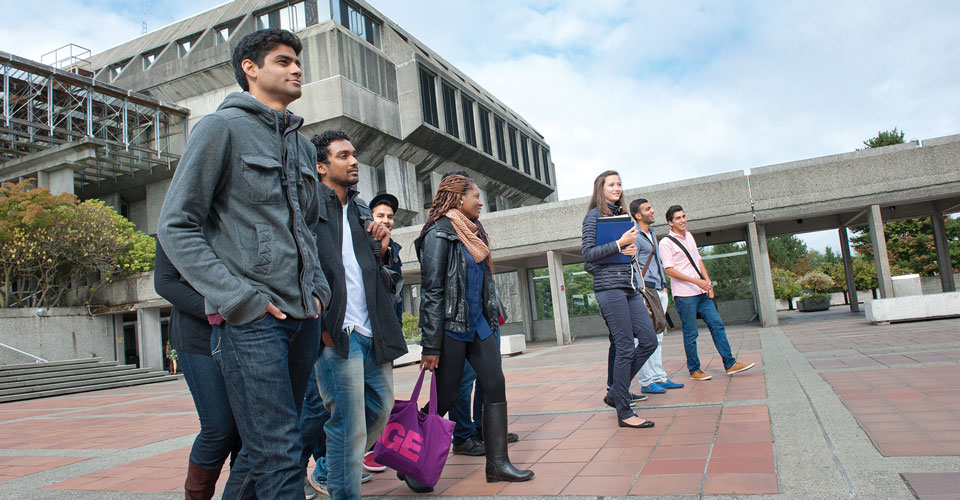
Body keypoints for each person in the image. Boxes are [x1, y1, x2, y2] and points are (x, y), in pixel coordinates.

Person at [157, 28, 330, 500]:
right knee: (278, 452)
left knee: (267, 451)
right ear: (250, 69)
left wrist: (318, 291)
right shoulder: (219, 129)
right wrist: (239, 298)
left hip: (303, 318)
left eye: (298, 61)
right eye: (282, 61)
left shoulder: (301, 144)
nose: (296, 68)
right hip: (252, 321)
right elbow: (176, 225)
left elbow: (306, 230)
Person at [415, 173, 534, 486]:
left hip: (479, 325)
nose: (481, 202)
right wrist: (431, 345)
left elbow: (483, 284)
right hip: (452, 329)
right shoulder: (438, 233)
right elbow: (432, 291)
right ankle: (410, 457)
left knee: (495, 384)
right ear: (458, 197)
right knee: (446, 397)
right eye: (476, 196)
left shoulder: (472, 232)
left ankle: (498, 465)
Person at [309, 129, 408, 500]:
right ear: (321, 166)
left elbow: (368, 267)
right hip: (337, 333)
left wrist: (381, 250)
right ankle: (342, 488)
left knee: (381, 411)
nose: (353, 161)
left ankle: (331, 464)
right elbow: (302, 265)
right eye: (342, 156)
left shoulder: (362, 208)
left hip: (372, 330)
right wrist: (320, 326)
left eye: (354, 154)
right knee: (347, 426)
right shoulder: (310, 206)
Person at [154, 242, 245, 500]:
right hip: (197, 336)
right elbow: (165, 282)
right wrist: (218, 308)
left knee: (246, 432)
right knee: (219, 428)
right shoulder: (180, 214)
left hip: (242, 331)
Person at [581, 170, 658, 428]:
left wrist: (630, 250)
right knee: (624, 346)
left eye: (619, 184)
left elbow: (622, 251)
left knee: (648, 340)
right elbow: (588, 254)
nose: (617, 188)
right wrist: (619, 243)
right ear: (600, 188)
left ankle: (616, 391)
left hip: (629, 286)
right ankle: (624, 413)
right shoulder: (593, 216)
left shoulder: (622, 217)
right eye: (612, 184)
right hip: (608, 289)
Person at [658, 205, 755, 380]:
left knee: (717, 324)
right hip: (684, 295)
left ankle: (730, 364)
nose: (683, 220)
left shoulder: (689, 236)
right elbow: (670, 271)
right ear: (670, 222)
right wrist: (697, 282)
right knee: (691, 333)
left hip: (702, 293)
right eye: (678, 218)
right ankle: (694, 370)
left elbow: (698, 261)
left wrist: (708, 284)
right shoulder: (666, 243)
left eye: (684, 216)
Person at [628, 199, 684, 394]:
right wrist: (638, 291)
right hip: (645, 292)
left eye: (651, 207)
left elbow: (657, 262)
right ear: (637, 215)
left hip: (659, 289)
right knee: (643, 338)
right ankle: (647, 382)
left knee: (658, 337)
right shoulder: (633, 234)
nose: (653, 211)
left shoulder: (651, 233)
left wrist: (665, 286)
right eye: (647, 209)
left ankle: (659, 377)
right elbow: (632, 264)